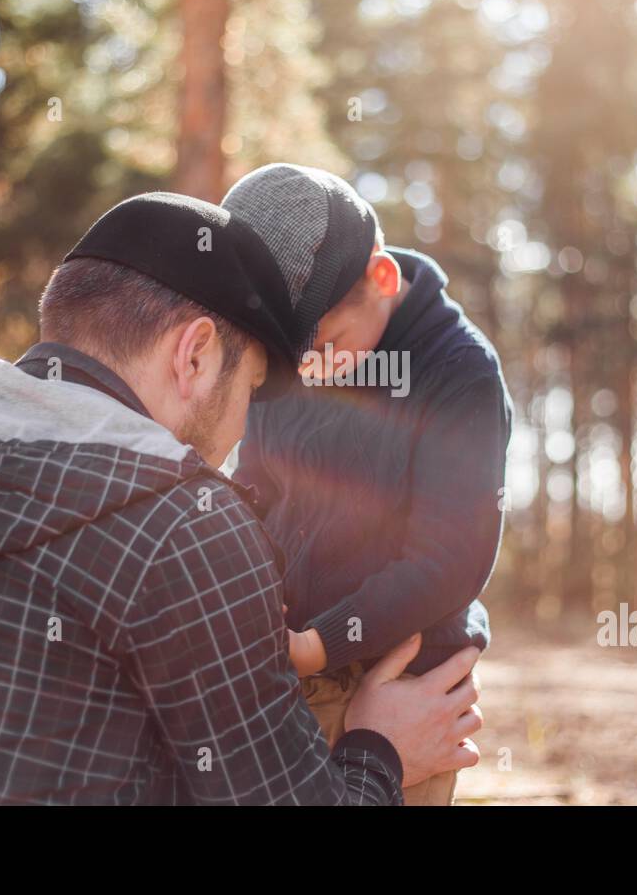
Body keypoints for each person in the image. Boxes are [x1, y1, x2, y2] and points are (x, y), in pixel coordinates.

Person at [0, 192, 481, 805]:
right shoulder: (188, 529)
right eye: (251, 389)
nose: (243, 431)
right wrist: (377, 747)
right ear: (193, 355)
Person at [224, 165, 512, 805]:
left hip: (391, 675)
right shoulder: (295, 360)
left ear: (383, 279)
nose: (311, 370)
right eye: (294, 357)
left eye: (327, 345)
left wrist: (316, 646)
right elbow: (256, 488)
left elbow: (450, 557)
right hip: (287, 670)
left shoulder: (459, 374)